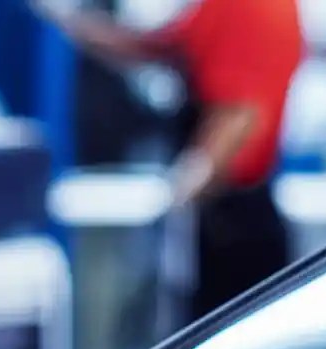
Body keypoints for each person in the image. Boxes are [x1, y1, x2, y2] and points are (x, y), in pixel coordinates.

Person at [33, 0, 305, 321]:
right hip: (218, 212)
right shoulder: (220, 8)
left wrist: (183, 192)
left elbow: (240, 115)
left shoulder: (252, 7)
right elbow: (158, 49)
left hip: (236, 222)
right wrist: (69, 19)